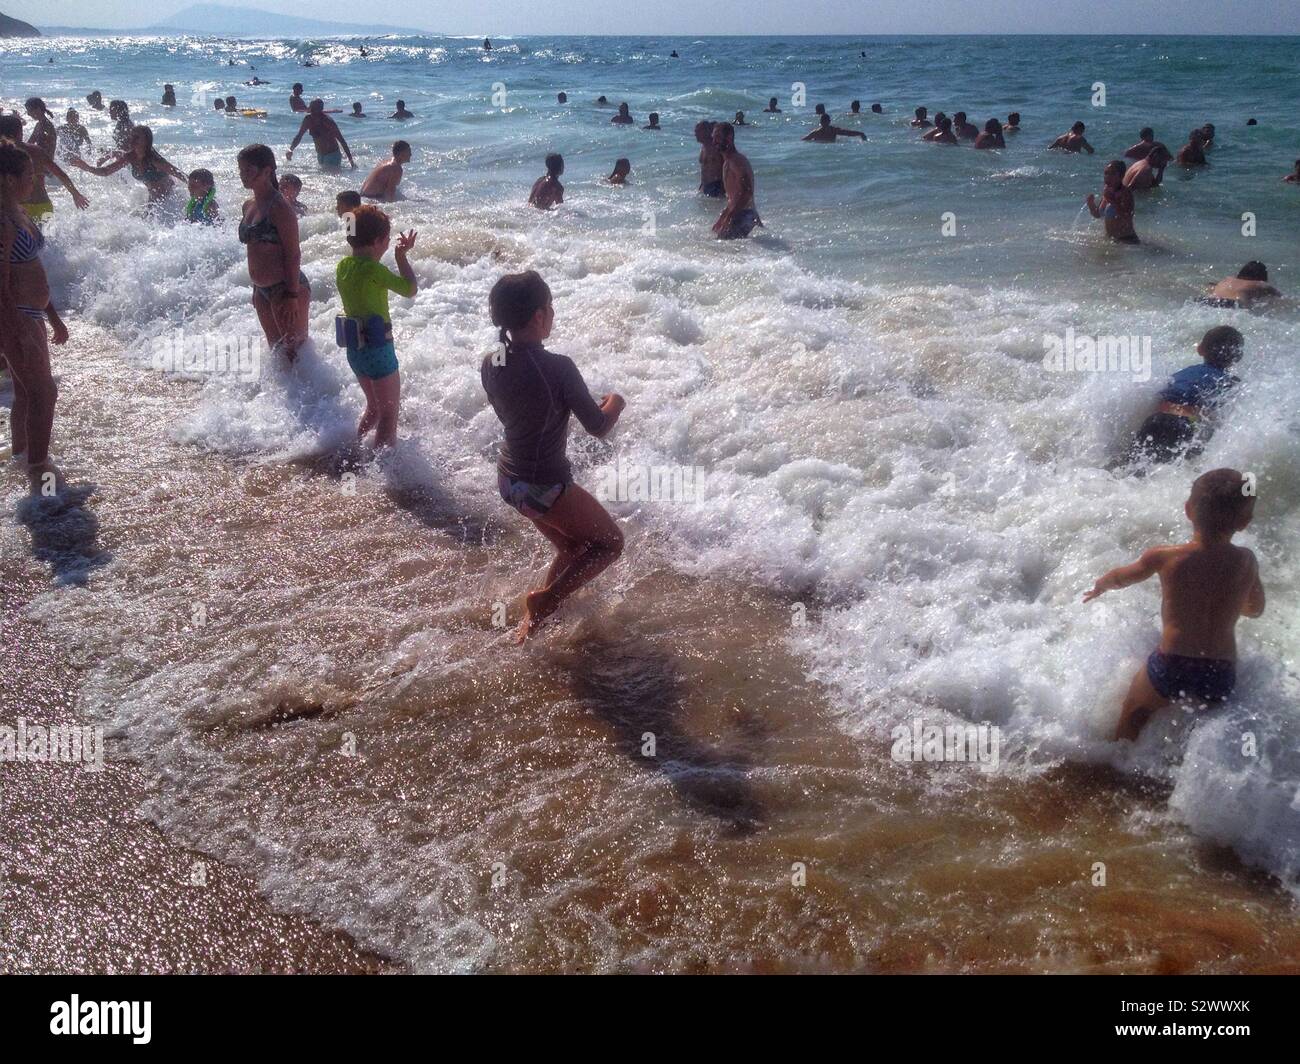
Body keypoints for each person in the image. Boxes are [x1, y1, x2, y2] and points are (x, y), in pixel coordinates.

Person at [481, 270, 626, 642]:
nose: (553, 314)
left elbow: (518, 408)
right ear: (538, 317)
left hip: (509, 481)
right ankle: (547, 601)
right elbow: (597, 425)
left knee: (574, 547)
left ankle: (532, 627)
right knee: (610, 544)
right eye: (551, 307)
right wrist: (615, 402)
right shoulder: (559, 367)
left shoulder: (492, 361)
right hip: (541, 484)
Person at [1084, 468, 1264, 741]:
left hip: (1172, 663)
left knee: (1135, 710)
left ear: (1188, 510)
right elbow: (1255, 609)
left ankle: (1117, 765)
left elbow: (1122, 578)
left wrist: (1101, 585)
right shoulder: (1247, 561)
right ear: (1245, 522)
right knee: (1199, 733)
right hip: (1220, 672)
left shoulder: (1165, 557)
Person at [0, 141, 68, 493]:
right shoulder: (2, 222)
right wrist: (19, 331)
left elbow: (34, 271)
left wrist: (53, 316)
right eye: (28, 174)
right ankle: (40, 477)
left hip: (33, 314)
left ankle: (22, 459)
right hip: (19, 318)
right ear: (9, 179)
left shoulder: (19, 212)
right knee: (44, 393)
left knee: (28, 395)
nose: (34, 178)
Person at [335, 204, 417, 449]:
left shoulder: (343, 267)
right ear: (379, 240)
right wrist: (401, 257)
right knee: (389, 413)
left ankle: (356, 449)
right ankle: (384, 473)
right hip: (379, 350)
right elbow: (410, 289)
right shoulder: (375, 270)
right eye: (387, 240)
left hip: (355, 351)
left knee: (374, 407)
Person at [1128, 326, 1243, 464]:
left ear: (1200, 349)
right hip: (1184, 426)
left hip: (1155, 420)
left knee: (1131, 466)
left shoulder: (1184, 372)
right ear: (1238, 357)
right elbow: (1217, 418)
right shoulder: (1229, 382)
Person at [237, 143, 309, 361]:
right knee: (277, 352)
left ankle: (313, 395)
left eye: (248, 170)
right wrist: (255, 287)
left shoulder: (280, 208)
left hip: (286, 289)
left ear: (267, 171)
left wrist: (292, 295)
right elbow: (255, 251)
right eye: (240, 170)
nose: (243, 176)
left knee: (295, 354)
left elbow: (293, 254)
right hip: (261, 290)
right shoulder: (248, 205)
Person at [0, 115, 90, 222]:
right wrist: (75, 194)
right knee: (41, 237)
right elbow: (60, 174)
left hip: (18, 208)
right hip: (43, 206)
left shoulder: (4, 154)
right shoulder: (36, 150)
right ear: (20, 132)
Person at [72, 126, 186, 204]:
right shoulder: (130, 157)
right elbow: (106, 171)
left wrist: (200, 191)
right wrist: (87, 168)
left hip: (170, 199)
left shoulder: (154, 159)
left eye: (137, 137)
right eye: (132, 136)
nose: (132, 139)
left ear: (146, 141)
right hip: (154, 198)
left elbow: (179, 174)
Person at [711, 122, 761, 240]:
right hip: (743, 214)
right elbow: (734, 197)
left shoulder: (736, 161)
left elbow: (746, 192)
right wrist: (722, 217)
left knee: (721, 246)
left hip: (744, 215)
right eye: (713, 137)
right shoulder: (728, 162)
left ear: (729, 137)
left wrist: (729, 217)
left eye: (717, 137)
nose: (714, 142)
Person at [288, 100, 355, 169]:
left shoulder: (328, 121)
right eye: (311, 109)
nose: (312, 111)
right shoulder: (308, 120)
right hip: (320, 155)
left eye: (315, 109)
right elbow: (299, 136)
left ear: (321, 109)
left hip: (332, 155)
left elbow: (341, 140)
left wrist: (351, 161)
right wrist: (291, 150)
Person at [1085, 160, 1138, 243]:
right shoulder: (1107, 191)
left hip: (1127, 241)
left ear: (1121, 176)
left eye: (1112, 173)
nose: (1108, 176)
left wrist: (1113, 202)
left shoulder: (1125, 193)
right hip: (1112, 241)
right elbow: (1098, 214)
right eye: (1106, 173)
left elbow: (1127, 216)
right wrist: (1091, 204)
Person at [1199, 262, 1281, 309]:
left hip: (1204, 301)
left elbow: (1210, 287)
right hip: (1230, 304)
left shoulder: (1227, 280)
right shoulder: (1260, 284)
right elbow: (1281, 298)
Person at [696, 120, 723, 197]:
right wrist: (701, 186)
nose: (695, 134)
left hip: (716, 186)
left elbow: (723, 168)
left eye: (698, 131)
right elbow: (704, 168)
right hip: (705, 185)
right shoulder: (703, 147)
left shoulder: (715, 147)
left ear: (705, 132)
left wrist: (722, 189)